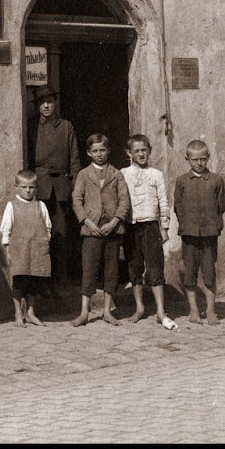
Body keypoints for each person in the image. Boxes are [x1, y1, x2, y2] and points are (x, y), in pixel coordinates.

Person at [70, 133, 131, 327]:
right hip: (92, 230)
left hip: (112, 230)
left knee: (111, 270)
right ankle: (84, 312)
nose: (99, 154)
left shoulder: (116, 174)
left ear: (109, 150)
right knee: (89, 269)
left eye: (102, 150)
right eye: (95, 151)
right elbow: (77, 200)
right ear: (88, 153)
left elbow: (124, 201)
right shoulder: (83, 174)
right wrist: (87, 221)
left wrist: (114, 222)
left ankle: (107, 311)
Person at [121, 134, 178, 330]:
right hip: (131, 226)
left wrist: (164, 227)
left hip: (151, 226)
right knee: (134, 266)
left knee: (154, 267)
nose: (141, 154)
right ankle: (139, 307)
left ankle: (161, 310)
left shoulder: (156, 174)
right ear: (129, 153)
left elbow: (163, 202)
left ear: (150, 150)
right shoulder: (123, 174)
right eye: (136, 151)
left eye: (144, 150)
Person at [29, 84, 80, 292]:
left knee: (61, 234)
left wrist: (75, 185)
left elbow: (75, 159)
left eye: (49, 101)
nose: (46, 106)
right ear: (38, 106)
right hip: (39, 187)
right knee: (41, 233)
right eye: (42, 102)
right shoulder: (32, 127)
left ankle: (61, 278)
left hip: (61, 188)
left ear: (55, 103)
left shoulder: (66, 127)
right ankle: (42, 280)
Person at [172, 139, 225, 326]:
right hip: (189, 234)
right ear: (187, 159)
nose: (199, 163)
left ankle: (211, 310)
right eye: (195, 159)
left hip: (210, 233)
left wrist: (213, 224)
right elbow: (177, 206)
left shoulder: (216, 180)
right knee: (190, 272)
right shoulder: (181, 181)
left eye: (203, 159)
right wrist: (187, 224)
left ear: (208, 158)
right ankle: (194, 310)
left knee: (209, 272)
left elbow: (222, 205)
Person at [0, 170, 51, 327]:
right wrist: (8, 250)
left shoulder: (40, 205)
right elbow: (6, 229)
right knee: (19, 281)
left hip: (36, 250)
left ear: (36, 188)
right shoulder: (12, 206)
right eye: (24, 187)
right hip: (20, 250)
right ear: (17, 187)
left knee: (33, 280)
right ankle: (18, 313)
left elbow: (47, 226)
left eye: (31, 187)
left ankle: (30, 312)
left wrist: (44, 244)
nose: (28, 191)